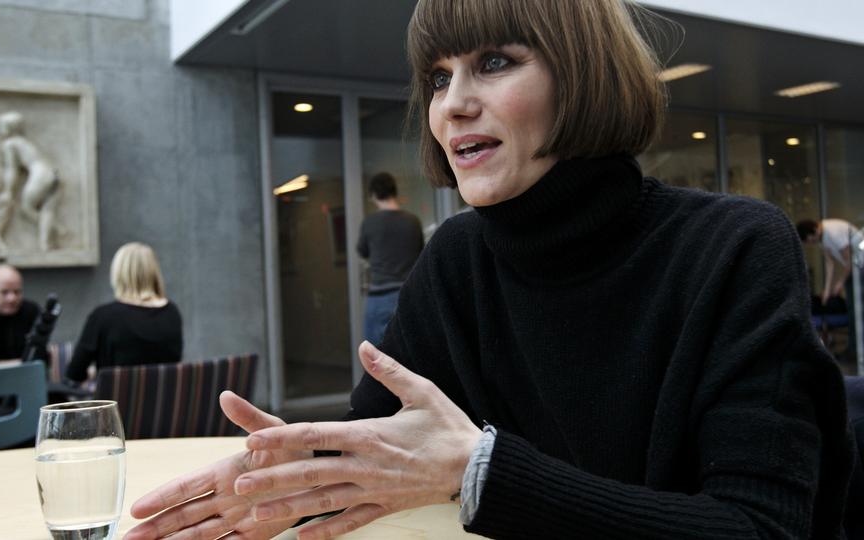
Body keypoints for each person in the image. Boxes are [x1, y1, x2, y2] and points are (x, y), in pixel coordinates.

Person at [126, 1, 853, 539]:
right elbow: (384, 443)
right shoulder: (458, 257)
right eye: (438, 78)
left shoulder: (734, 247)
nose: (454, 105)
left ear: (583, 75)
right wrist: (286, 474)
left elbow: (761, 527)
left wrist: (480, 471)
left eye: (495, 63)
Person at [66, 242, 182, 383]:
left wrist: (94, 373)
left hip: (117, 397)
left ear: (118, 274)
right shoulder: (172, 313)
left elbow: (74, 374)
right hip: (163, 396)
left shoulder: (103, 316)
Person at [356, 172, 424, 345]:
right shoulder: (413, 221)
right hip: (408, 297)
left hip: (379, 297)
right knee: (410, 352)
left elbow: (362, 251)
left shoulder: (370, 223)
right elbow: (420, 254)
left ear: (373, 195)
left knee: (375, 355)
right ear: (394, 191)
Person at [798, 218, 863, 361]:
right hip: (856, 268)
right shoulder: (822, 238)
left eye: (809, 240)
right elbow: (830, 263)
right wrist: (827, 290)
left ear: (814, 231)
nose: (810, 243)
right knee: (852, 309)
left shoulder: (832, 232)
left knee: (856, 310)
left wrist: (839, 283)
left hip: (860, 267)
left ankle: (855, 351)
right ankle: (854, 349)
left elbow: (849, 260)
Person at [0, 111, 62, 251]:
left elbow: (12, 170)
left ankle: (59, 231)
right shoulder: (23, 142)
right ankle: (46, 245)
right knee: (47, 210)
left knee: (26, 209)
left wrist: (8, 191)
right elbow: (22, 163)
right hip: (52, 173)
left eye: (1, 125)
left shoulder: (9, 143)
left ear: (9, 127)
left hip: (40, 175)